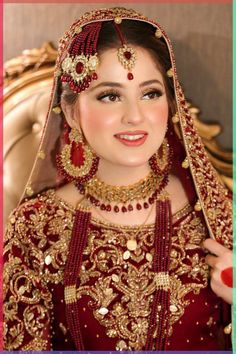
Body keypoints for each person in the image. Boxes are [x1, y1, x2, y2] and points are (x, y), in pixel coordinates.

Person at [3, 7, 233, 351]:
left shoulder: (215, 214)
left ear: (171, 103)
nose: (135, 115)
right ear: (71, 112)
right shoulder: (36, 227)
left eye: (150, 93)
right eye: (110, 96)